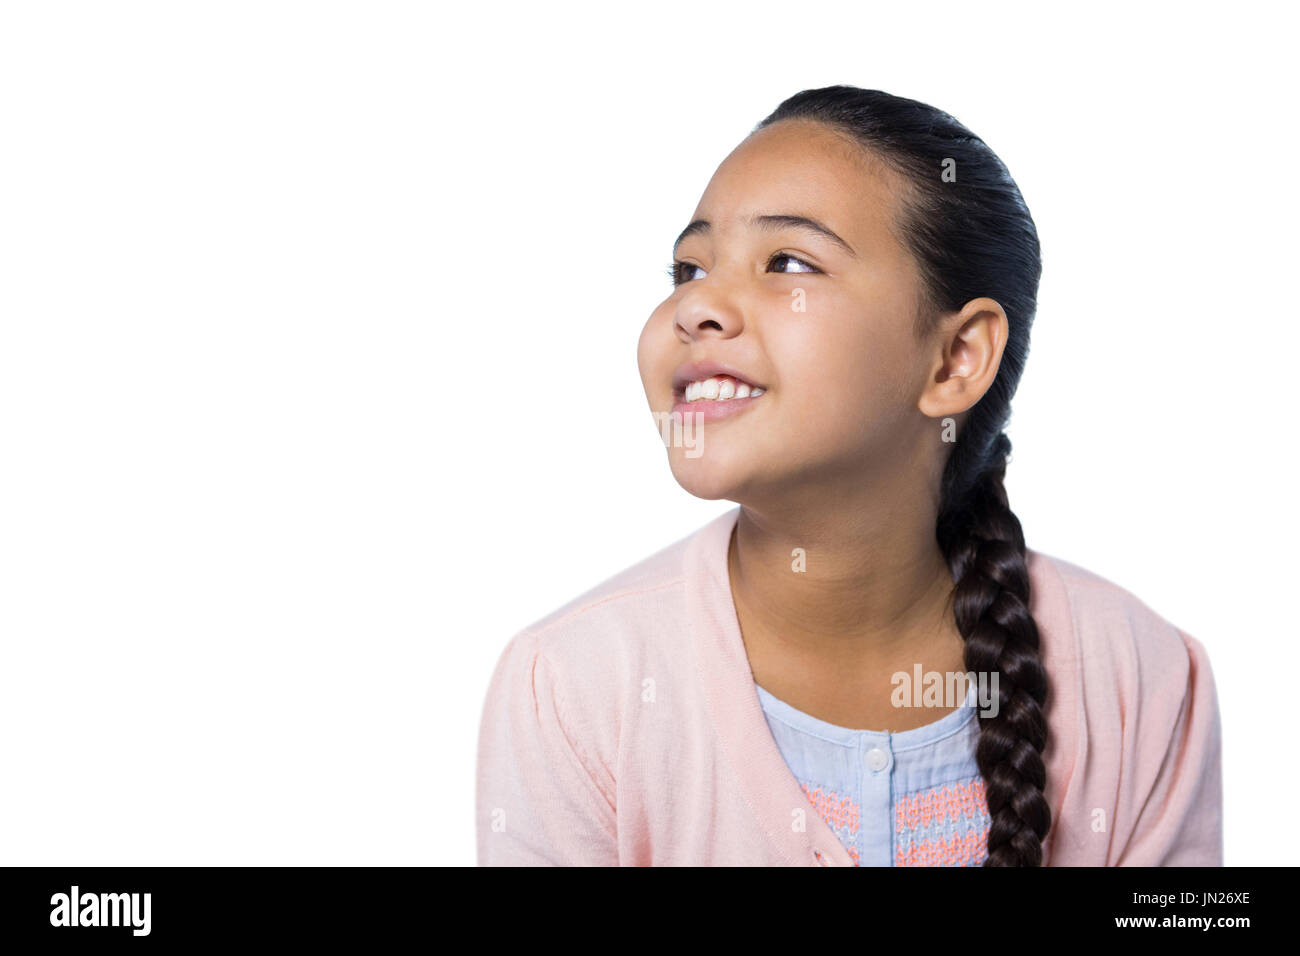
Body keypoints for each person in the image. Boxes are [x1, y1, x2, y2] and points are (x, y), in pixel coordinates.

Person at [476, 85, 1223, 866]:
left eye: (788, 262)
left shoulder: (1142, 677)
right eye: (687, 268)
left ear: (956, 358)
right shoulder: (574, 688)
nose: (697, 306)